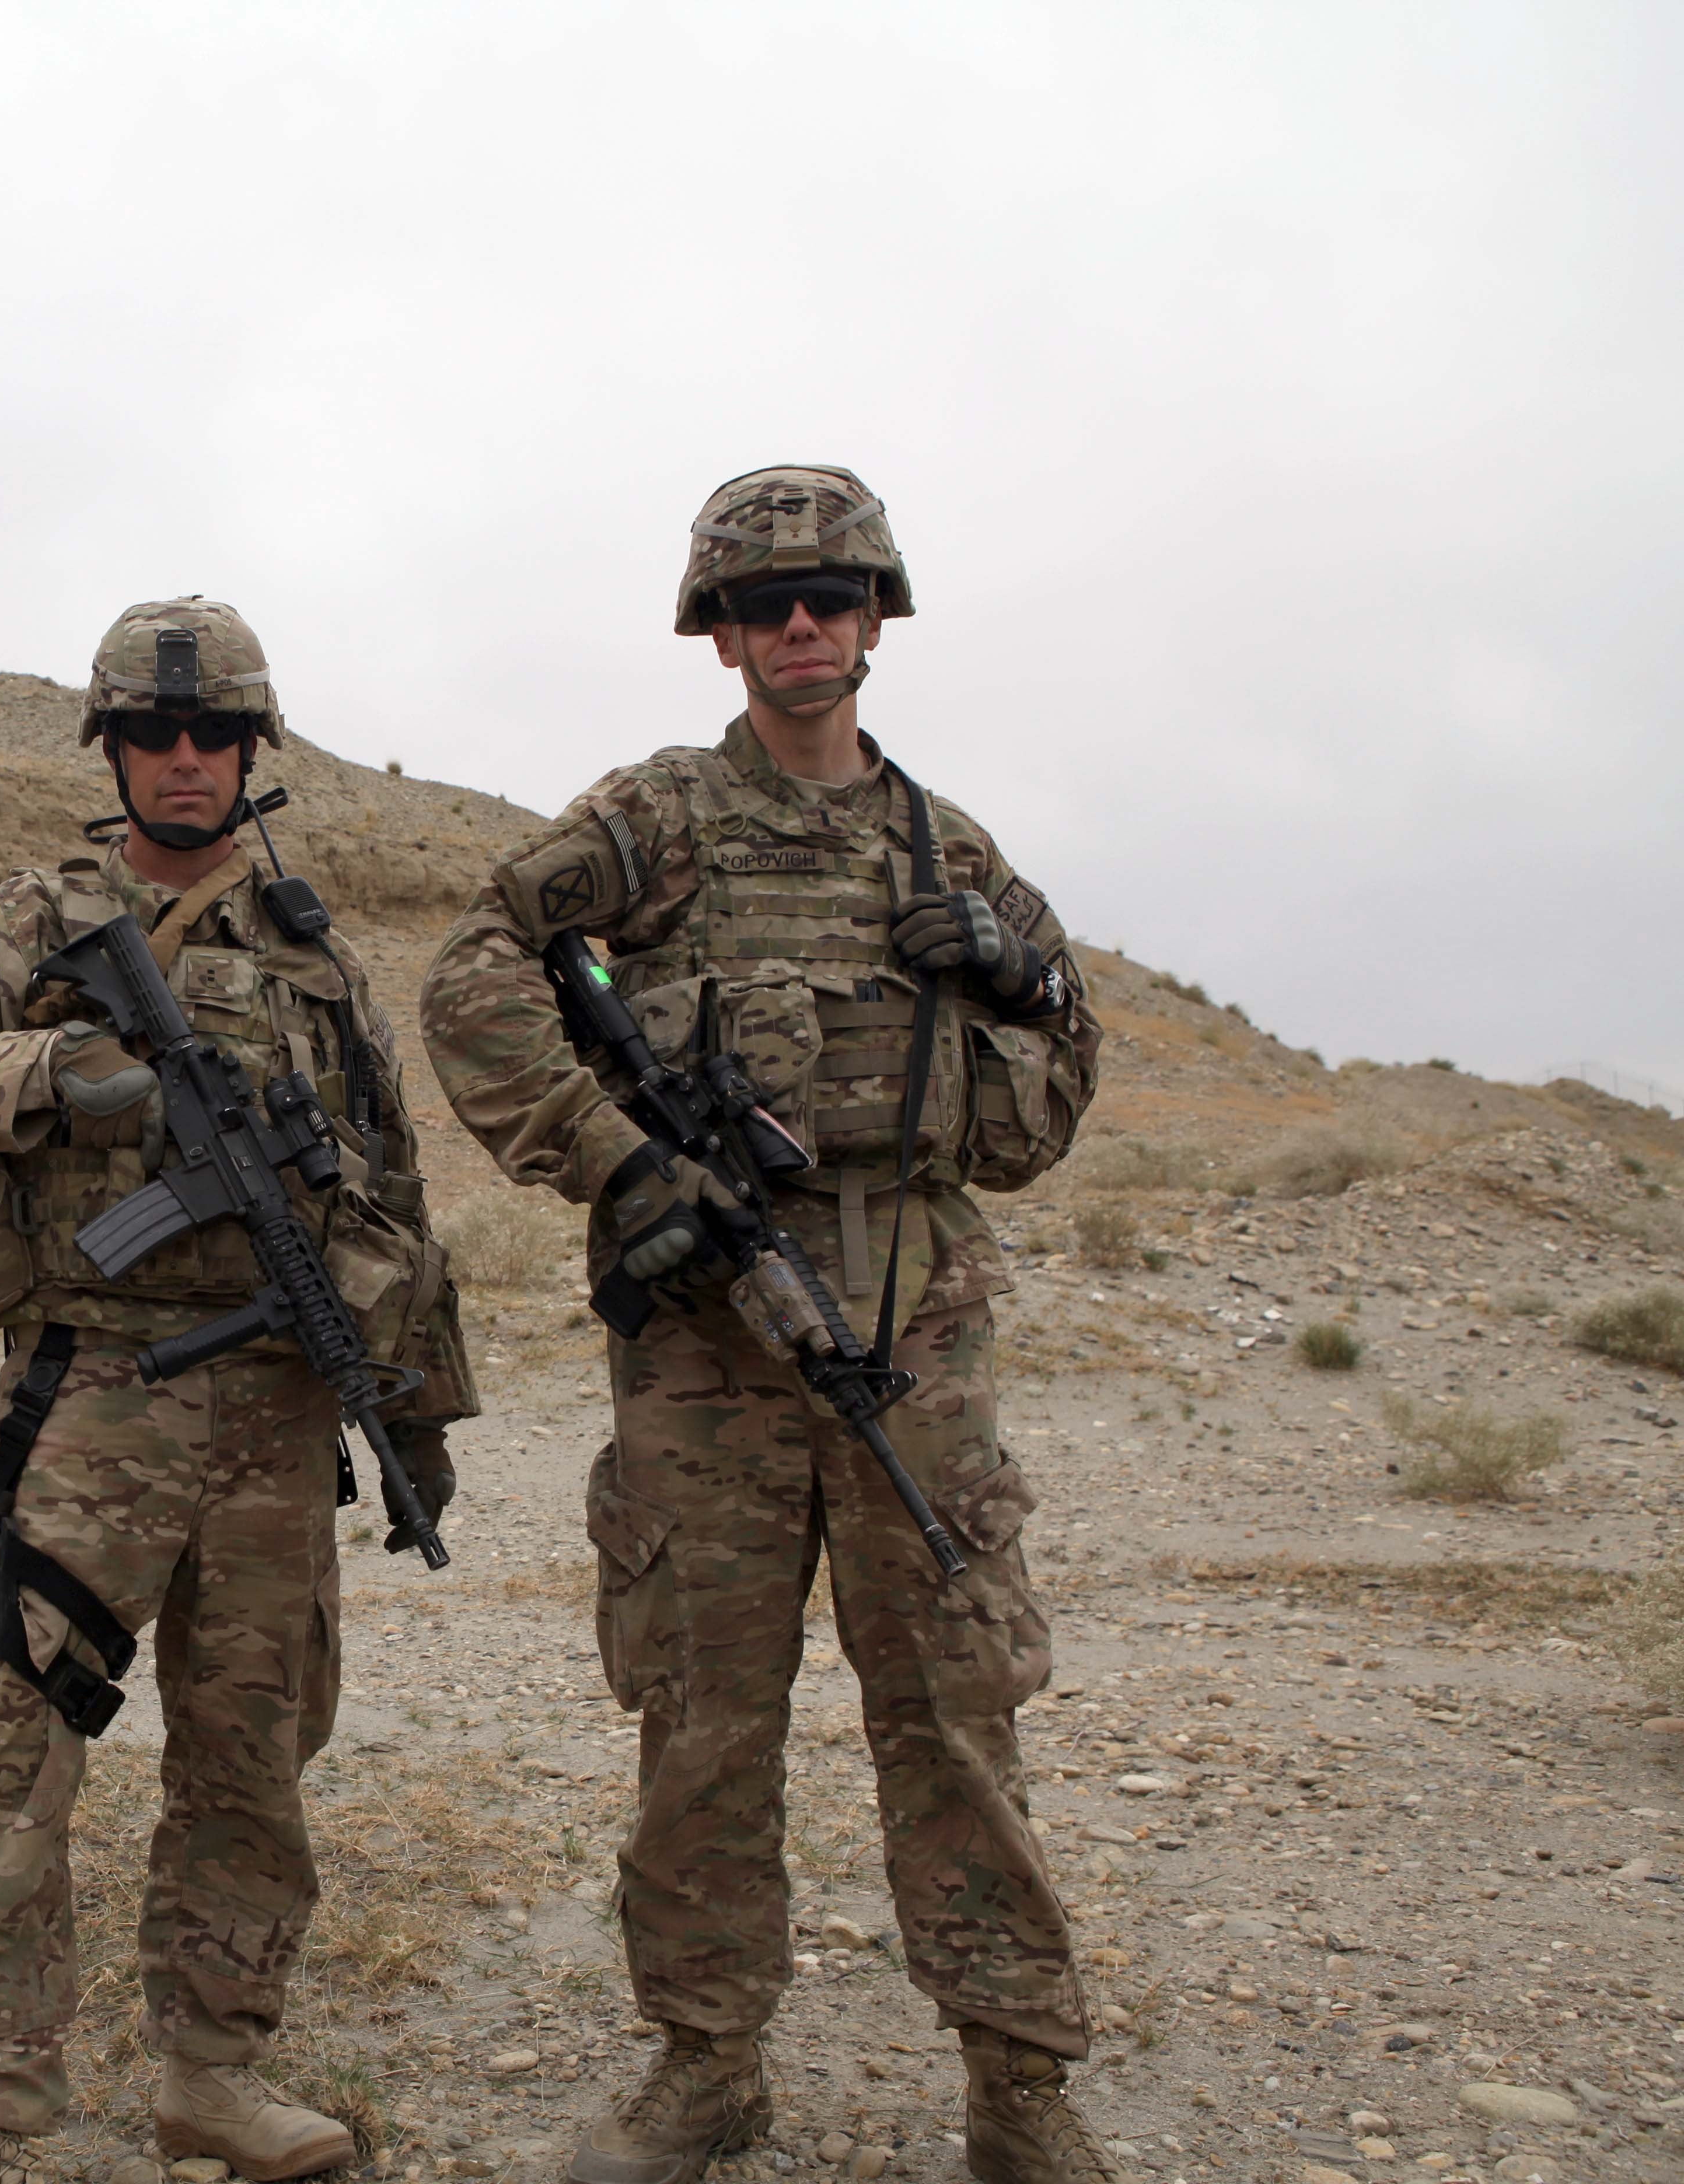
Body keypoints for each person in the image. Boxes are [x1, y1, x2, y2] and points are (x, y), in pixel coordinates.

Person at [417, 471, 1112, 2184]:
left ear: (876, 621)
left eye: (830, 597)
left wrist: (1027, 992)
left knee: (955, 1705)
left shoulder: (956, 856)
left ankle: (1019, 2086)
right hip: (703, 1341)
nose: (799, 627)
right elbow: (479, 967)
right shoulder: (652, 821)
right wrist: (614, 1160)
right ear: (719, 636)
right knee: (705, 1715)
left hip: (911, 1335)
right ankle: (706, 2067)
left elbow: (1043, 1111)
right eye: (764, 603)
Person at [0, 599, 473, 2184]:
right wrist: (46, 1074)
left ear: (251, 753)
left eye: (211, 737)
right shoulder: (27, 923)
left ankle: (211, 2069)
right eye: (152, 734)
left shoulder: (314, 959)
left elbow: (392, 1194)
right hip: (90, 1396)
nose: (183, 761)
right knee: (13, 1746)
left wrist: (414, 1414)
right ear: (111, 749)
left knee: (252, 1755)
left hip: (274, 1410)